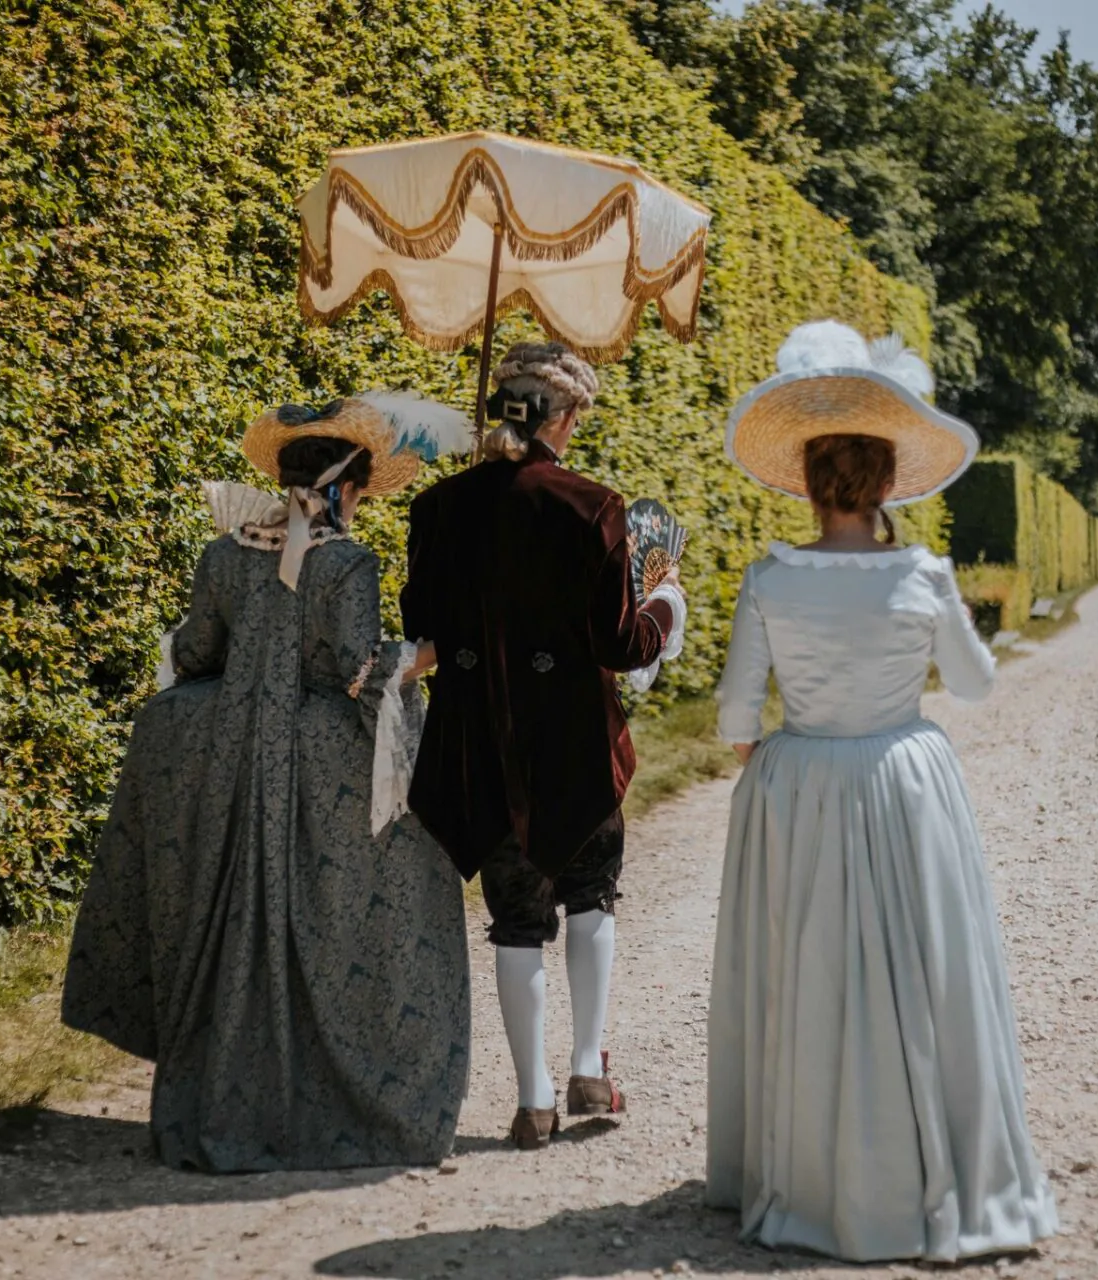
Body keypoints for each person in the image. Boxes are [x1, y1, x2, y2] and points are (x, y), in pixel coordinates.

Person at [706, 321, 1058, 1261]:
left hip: (804, 780)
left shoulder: (768, 579)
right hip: (906, 781)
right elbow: (977, 685)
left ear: (810, 483)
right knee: (927, 970)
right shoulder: (924, 575)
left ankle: (809, 1168)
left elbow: (737, 717)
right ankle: (931, 1163)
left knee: (808, 975)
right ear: (889, 484)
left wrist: (769, 758)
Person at [61, 396, 474, 1172]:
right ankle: (333, 1100)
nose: (359, 503)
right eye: (359, 490)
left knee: (230, 912)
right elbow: (357, 672)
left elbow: (193, 656)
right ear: (342, 489)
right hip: (320, 765)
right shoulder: (347, 562)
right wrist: (424, 655)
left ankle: (219, 1092)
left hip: (228, 765)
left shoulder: (222, 554)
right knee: (366, 905)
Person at [402, 342, 688, 1151]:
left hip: (478, 748)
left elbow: (421, 619)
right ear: (564, 416)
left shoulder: (437, 508)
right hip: (572, 748)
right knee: (592, 895)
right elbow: (624, 644)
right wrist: (664, 603)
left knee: (515, 922)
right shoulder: (591, 506)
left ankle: (532, 1104)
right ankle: (590, 1067)